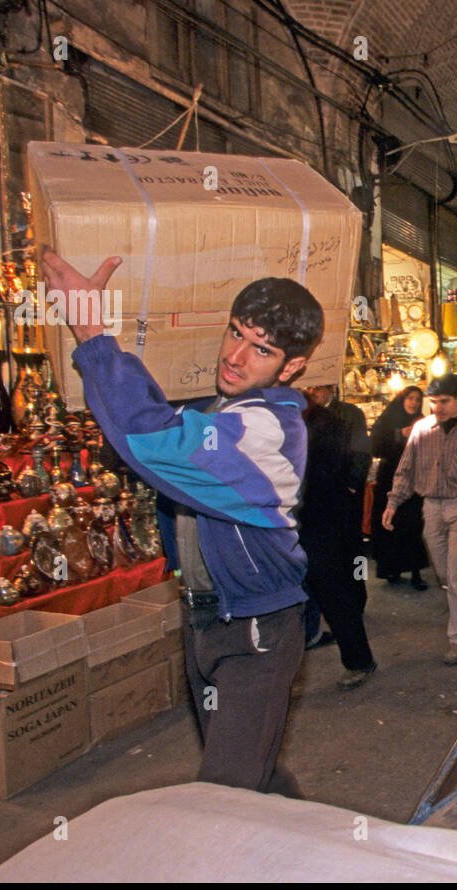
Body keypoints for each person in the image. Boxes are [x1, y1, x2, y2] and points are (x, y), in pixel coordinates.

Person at [43, 251, 317, 796]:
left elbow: (151, 439)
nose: (236, 356)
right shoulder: (220, 408)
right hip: (203, 620)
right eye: (235, 333)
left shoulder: (265, 431)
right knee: (251, 774)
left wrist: (92, 328)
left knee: (222, 793)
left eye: (261, 349)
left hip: (256, 633)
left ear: (292, 368)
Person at [383, 373, 457, 666]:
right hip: (432, 507)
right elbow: (406, 468)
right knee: (445, 575)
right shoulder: (422, 430)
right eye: (433, 402)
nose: (438, 407)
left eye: (444, 401)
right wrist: (392, 503)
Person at [300, 384, 377, 690]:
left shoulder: (326, 424)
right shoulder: (299, 421)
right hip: (305, 520)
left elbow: (345, 462)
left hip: (321, 520)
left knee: (334, 590)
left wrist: (351, 488)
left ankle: (359, 659)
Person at [370, 387, 428, 589]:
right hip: (389, 480)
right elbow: (375, 446)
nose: (413, 403)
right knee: (390, 525)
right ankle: (391, 568)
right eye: (410, 398)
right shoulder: (387, 420)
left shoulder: (422, 420)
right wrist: (399, 434)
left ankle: (415, 572)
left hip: (413, 482)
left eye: (417, 399)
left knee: (412, 526)